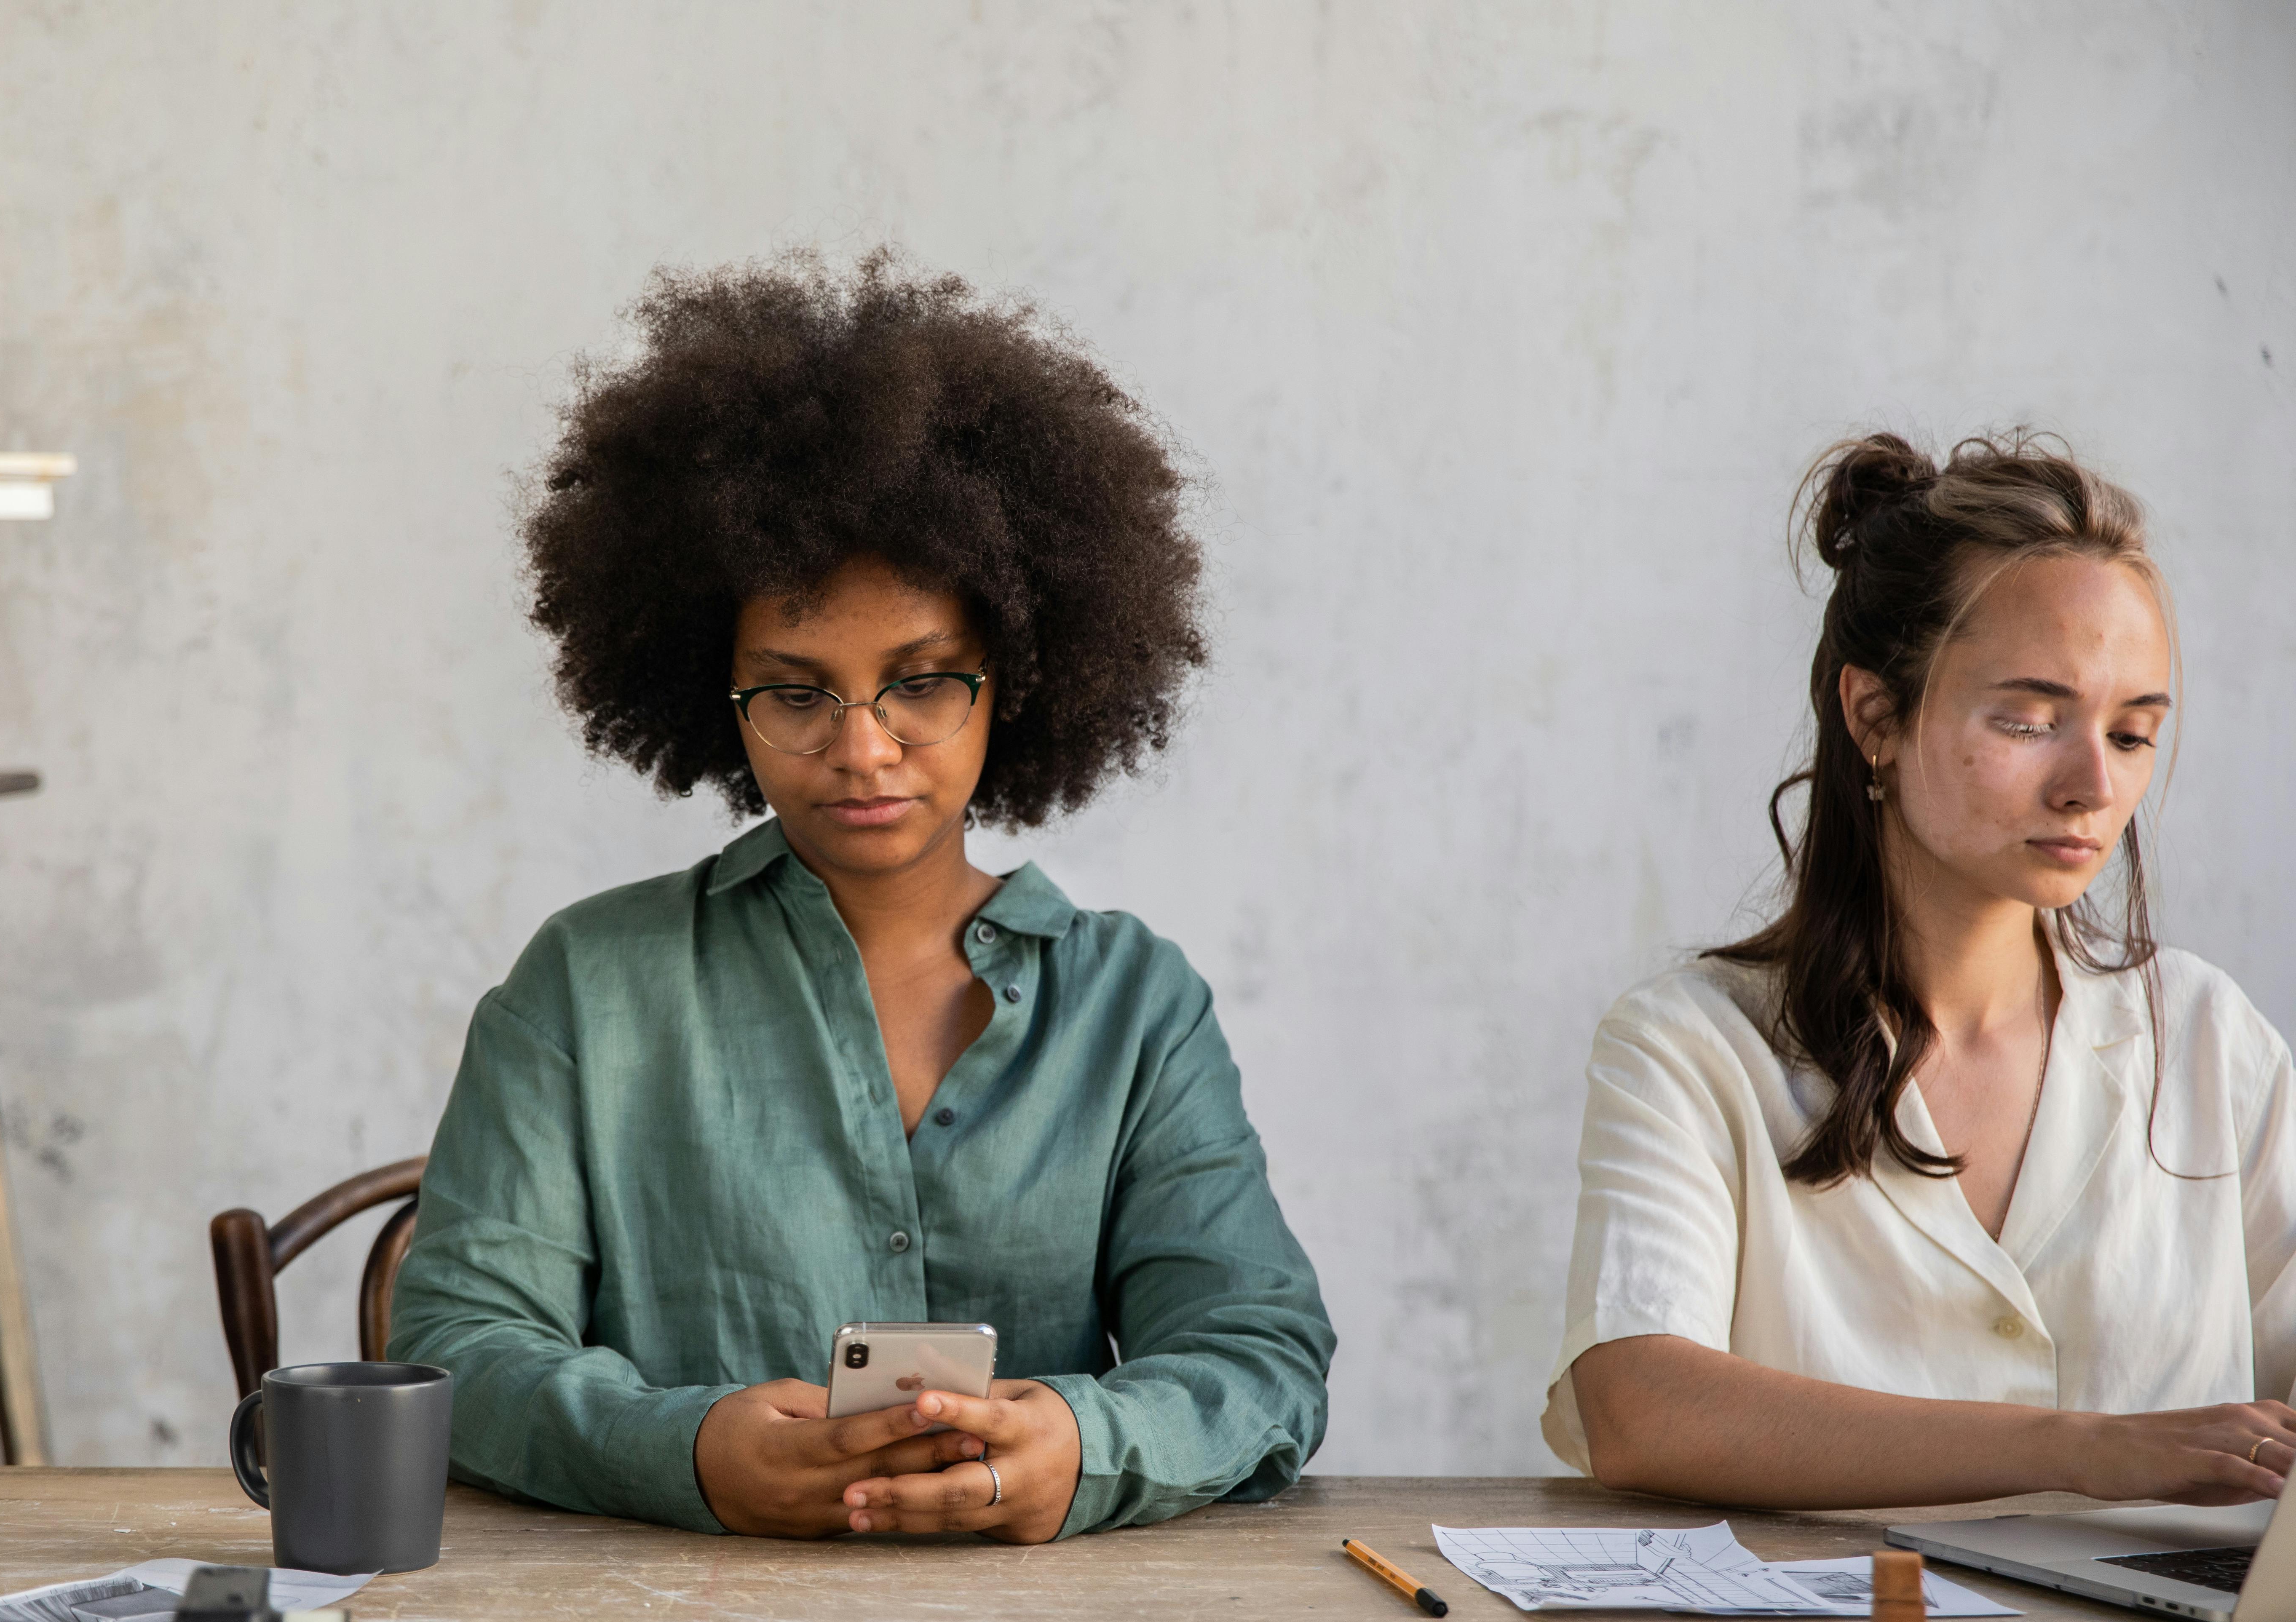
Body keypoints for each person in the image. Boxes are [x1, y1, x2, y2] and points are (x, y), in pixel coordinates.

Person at [391, 255, 1335, 1543]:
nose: (864, 748)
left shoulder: (1134, 1007)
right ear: (712, 696)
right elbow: (460, 1349)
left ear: (1021, 681)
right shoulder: (588, 985)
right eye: (795, 691)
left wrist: (1084, 1444)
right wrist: (686, 1449)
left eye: (924, 682)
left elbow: (1260, 1353)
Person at [1544, 433, 2296, 1511]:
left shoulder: (2212, 1038)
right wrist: (2076, 1448)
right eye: (2030, 720)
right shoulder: (1692, 1049)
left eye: (2133, 734)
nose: (2092, 784)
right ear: (1875, 717)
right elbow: (1639, 1402)